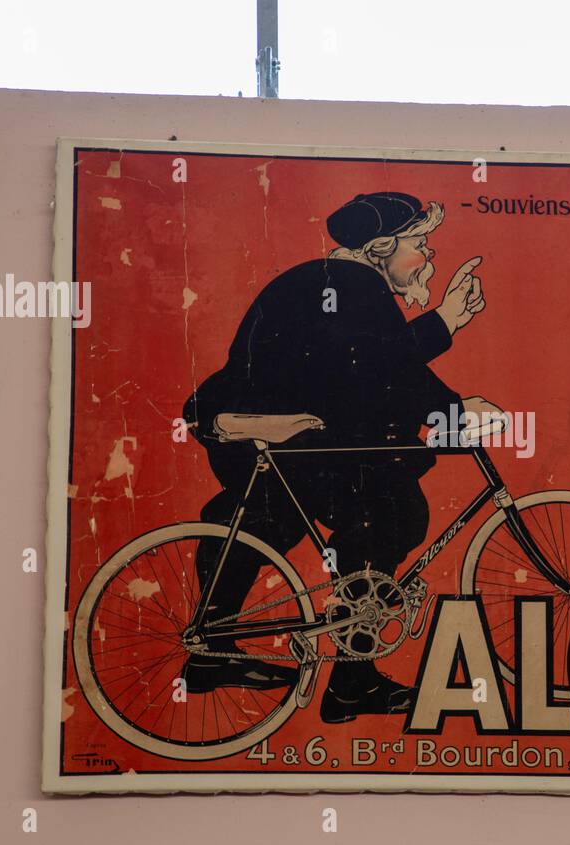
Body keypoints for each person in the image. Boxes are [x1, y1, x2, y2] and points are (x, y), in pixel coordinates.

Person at [180, 191, 498, 722]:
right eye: (420, 244)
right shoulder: (349, 285)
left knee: (267, 522)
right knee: (390, 516)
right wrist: (445, 331)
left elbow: (376, 369)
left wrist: (449, 406)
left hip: (260, 436)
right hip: (292, 438)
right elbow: (377, 366)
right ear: (379, 248)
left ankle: (211, 654)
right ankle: (352, 684)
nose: (429, 257)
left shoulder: (330, 281)